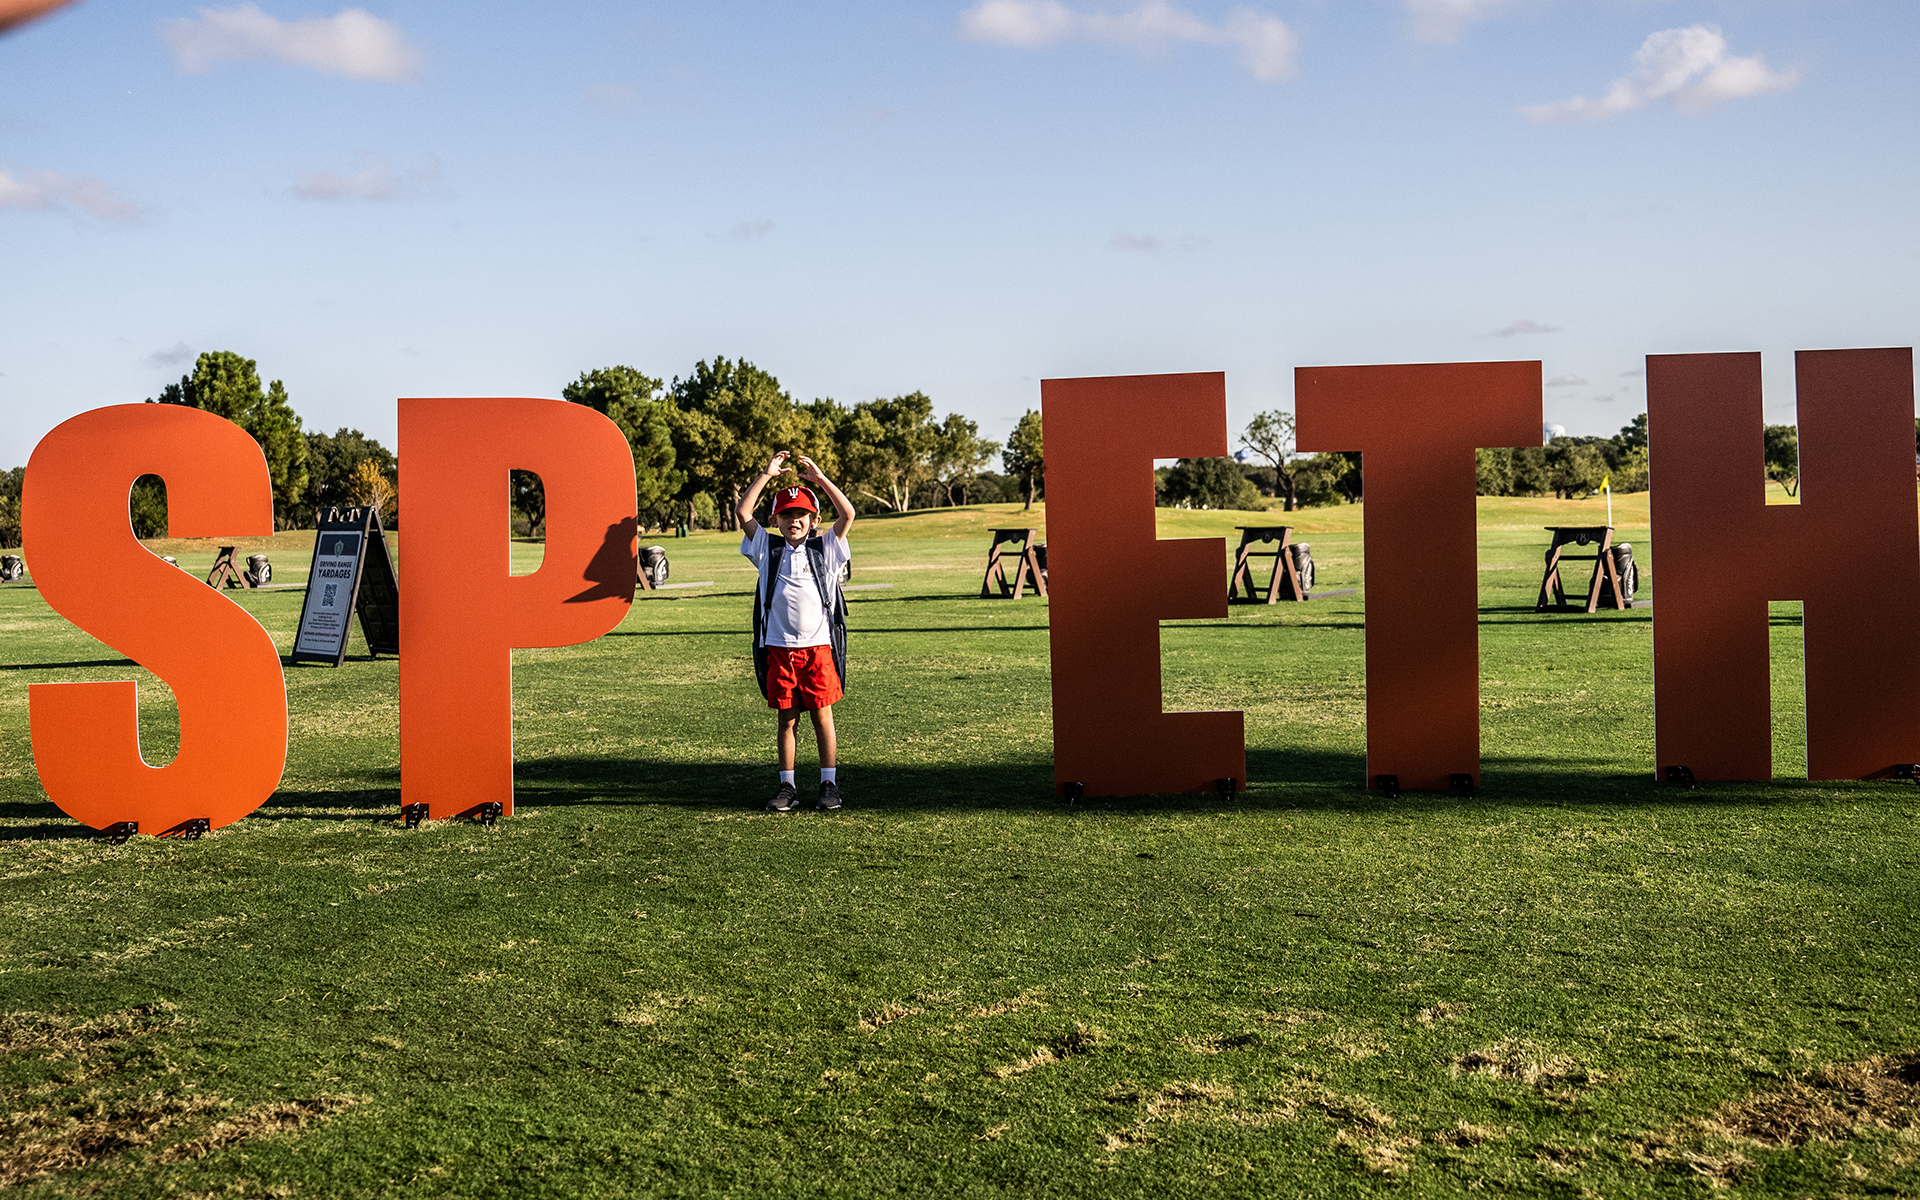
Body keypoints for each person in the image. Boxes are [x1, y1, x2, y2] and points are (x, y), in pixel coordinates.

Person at [735, 451, 855, 812]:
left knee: (822, 716)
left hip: (818, 649)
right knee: (786, 720)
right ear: (776, 518)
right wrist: (766, 475)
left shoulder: (826, 547)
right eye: (787, 515)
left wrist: (819, 480)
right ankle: (787, 786)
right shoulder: (766, 548)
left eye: (801, 514)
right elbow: (743, 513)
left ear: (814, 518)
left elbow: (848, 514)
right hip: (778, 648)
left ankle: (828, 783)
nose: (794, 521)